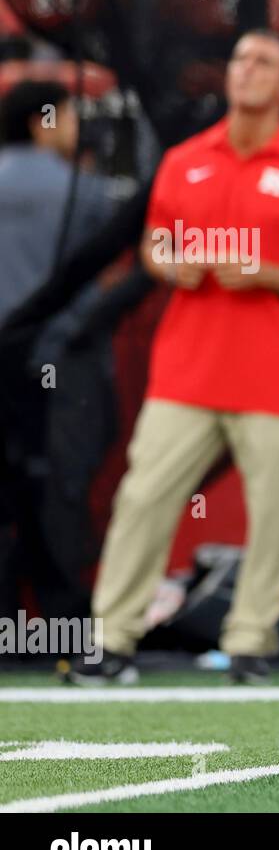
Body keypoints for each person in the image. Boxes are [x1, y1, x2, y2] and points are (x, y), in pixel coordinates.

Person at [64, 30, 279, 686]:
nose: (247, 70)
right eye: (241, 59)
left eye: (264, 63)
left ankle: (250, 643)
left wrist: (263, 276)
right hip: (184, 372)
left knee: (272, 509)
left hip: (270, 378)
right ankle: (112, 642)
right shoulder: (184, 161)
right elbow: (153, 247)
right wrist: (170, 266)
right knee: (142, 500)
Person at [0, 80, 119, 626]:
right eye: (68, 117)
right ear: (41, 121)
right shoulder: (83, 192)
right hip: (58, 358)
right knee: (59, 483)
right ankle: (57, 618)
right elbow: (90, 283)